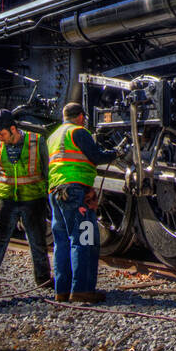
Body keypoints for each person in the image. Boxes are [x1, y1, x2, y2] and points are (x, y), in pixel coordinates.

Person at [0, 109, 52, 297]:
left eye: (2, 134)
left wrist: (50, 196)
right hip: (6, 199)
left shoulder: (37, 141)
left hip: (33, 198)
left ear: (13, 129)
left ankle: (43, 280)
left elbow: (47, 169)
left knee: (38, 241)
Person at [46, 102, 117, 303]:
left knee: (61, 242)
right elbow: (96, 156)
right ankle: (82, 290)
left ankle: (62, 290)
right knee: (84, 240)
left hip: (56, 192)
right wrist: (117, 153)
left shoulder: (53, 136)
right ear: (80, 117)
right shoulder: (78, 132)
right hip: (76, 193)